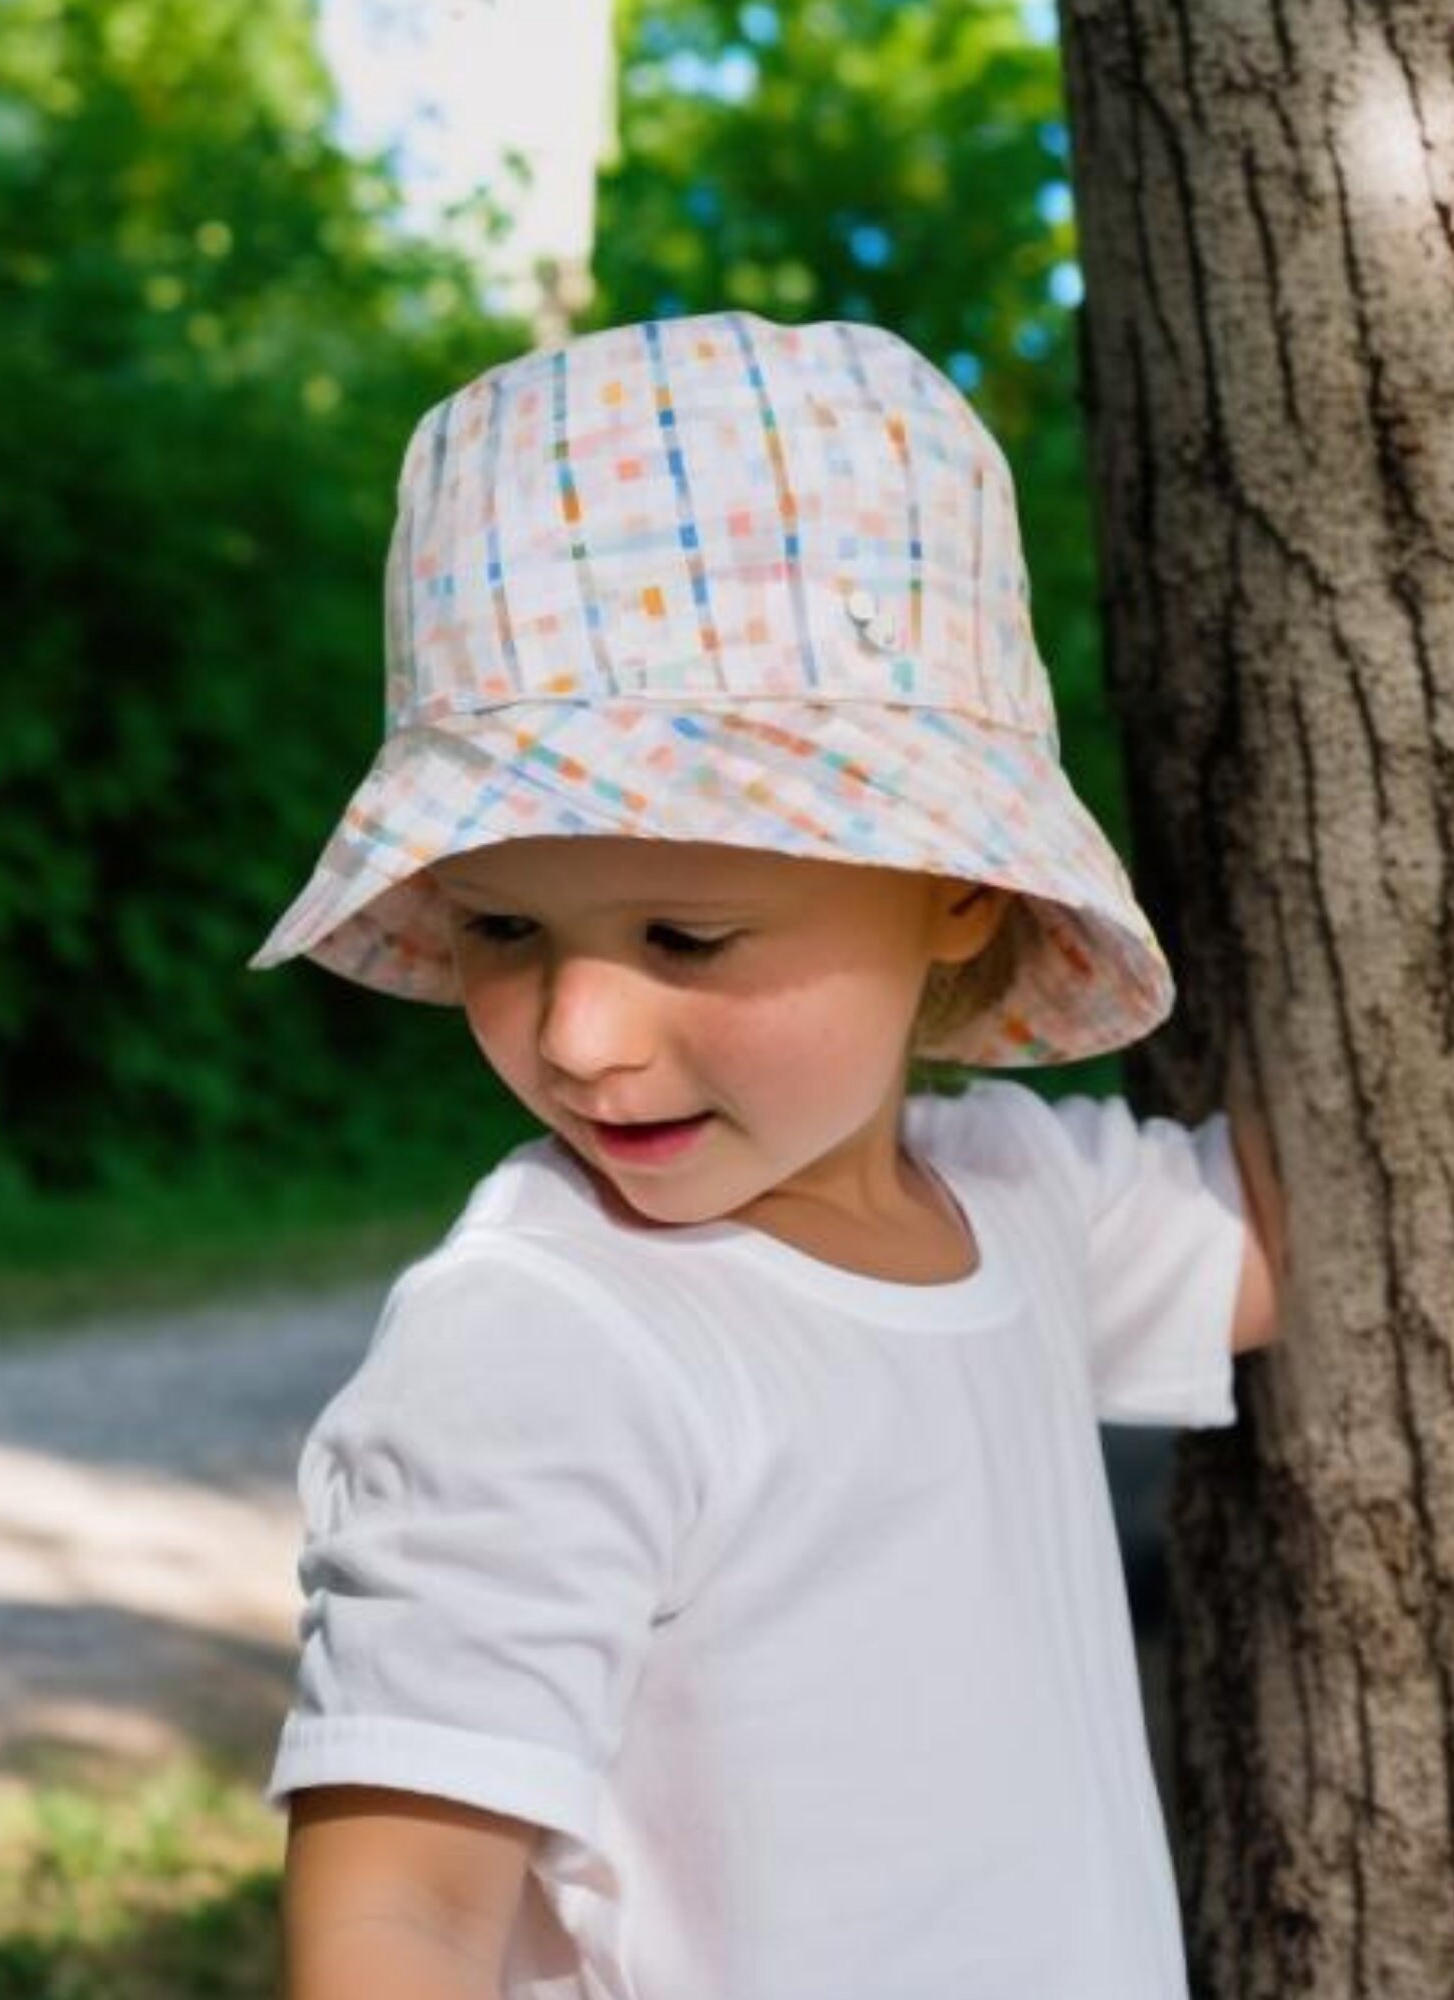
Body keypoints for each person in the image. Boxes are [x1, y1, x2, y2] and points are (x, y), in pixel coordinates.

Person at [248, 309, 1287, 2000]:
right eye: (503, 925)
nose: (581, 1034)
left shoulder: (1022, 1204)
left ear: (959, 886)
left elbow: (1294, 1240)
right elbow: (403, 1911)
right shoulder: (548, 1336)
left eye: (687, 934)